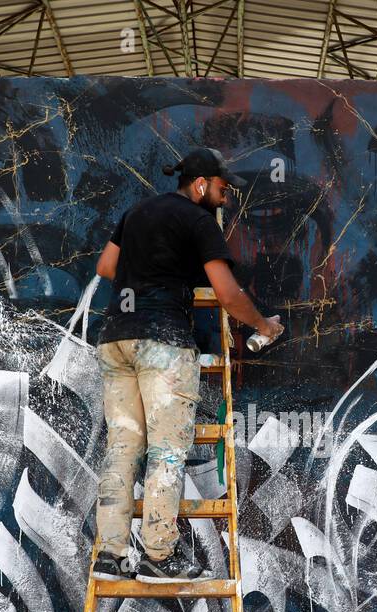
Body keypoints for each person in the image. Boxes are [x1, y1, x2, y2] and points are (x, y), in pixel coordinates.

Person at [91, 147, 284, 583]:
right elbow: (229, 295)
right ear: (200, 184)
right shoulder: (198, 221)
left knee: (122, 448)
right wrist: (263, 326)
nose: (225, 196)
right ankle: (159, 556)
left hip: (116, 339)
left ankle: (111, 554)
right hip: (163, 344)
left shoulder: (137, 211)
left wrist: (154, 271)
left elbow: (106, 267)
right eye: (221, 188)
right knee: (166, 452)